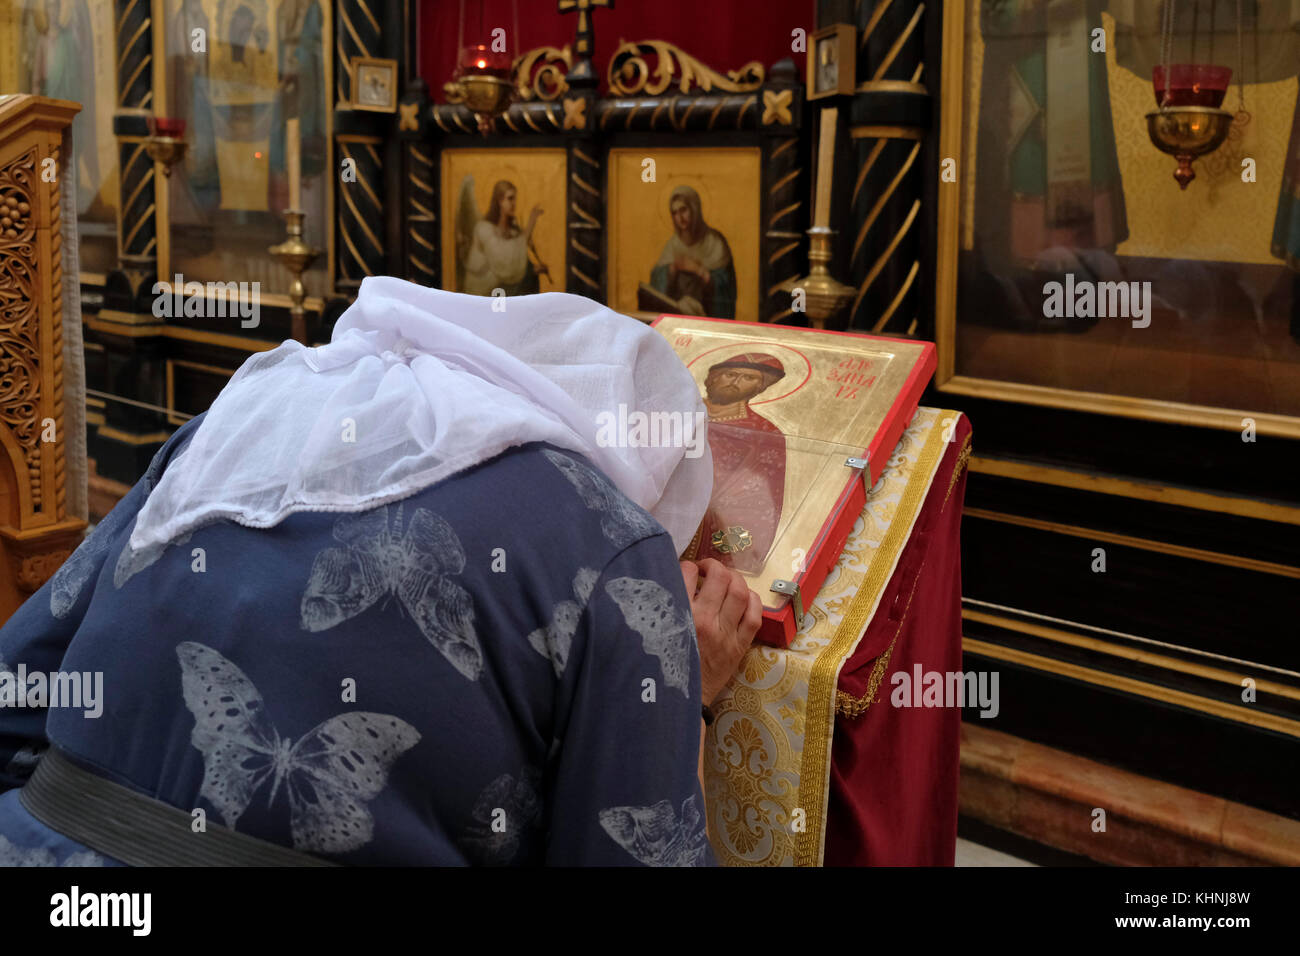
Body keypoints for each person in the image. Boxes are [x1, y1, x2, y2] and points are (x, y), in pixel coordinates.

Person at [0, 278, 758, 867]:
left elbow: (17, 686)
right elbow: (632, 849)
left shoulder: (235, 428)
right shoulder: (612, 539)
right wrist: (681, 691)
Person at [683, 353, 787, 573]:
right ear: (712, 378)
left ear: (760, 388)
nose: (736, 382)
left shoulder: (764, 431)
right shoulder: (676, 411)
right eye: (730, 374)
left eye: (748, 378)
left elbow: (766, 497)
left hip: (710, 528)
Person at [649, 185, 737, 319]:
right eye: (675, 213)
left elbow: (726, 287)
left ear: (694, 209)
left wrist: (699, 270)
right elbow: (656, 283)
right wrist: (671, 270)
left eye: (683, 210)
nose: (680, 217)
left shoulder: (714, 241)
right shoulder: (673, 244)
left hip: (707, 317)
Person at [460, 179, 548, 297]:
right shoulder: (483, 229)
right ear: (499, 201)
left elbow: (518, 264)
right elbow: (503, 262)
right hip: (482, 295)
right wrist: (530, 225)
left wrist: (534, 270)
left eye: (515, 199)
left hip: (502, 292)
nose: (514, 203)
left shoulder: (514, 232)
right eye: (510, 198)